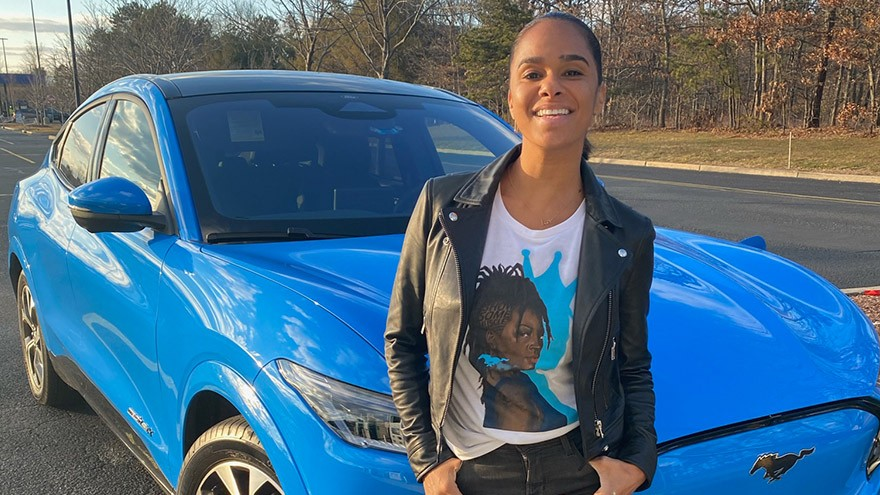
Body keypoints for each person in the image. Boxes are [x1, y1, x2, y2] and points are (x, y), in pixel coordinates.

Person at [385, 11, 657, 495]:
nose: (551, 87)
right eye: (533, 74)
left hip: (579, 470)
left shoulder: (627, 234)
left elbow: (632, 365)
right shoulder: (444, 208)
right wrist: (426, 461)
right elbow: (402, 340)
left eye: (572, 71)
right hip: (471, 472)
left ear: (600, 95)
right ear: (511, 98)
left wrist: (637, 462)